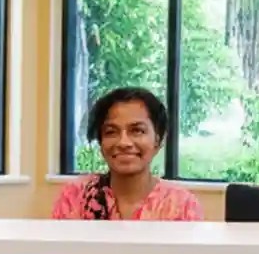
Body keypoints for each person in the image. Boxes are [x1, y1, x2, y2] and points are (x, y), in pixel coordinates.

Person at [51, 87, 202, 221]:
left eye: (137, 131)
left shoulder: (180, 206)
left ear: (158, 140)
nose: (124, 143)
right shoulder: (76, 197)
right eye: (111, 132)